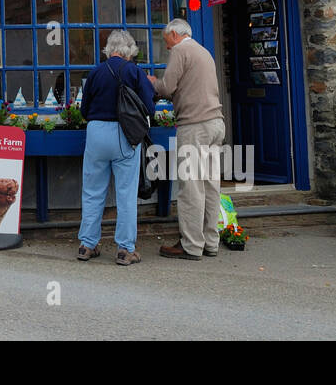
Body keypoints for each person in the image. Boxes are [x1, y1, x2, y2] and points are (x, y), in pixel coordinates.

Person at [147, 18, 225, 260]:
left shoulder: (181, 50)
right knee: (211, 185)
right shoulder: (205, 52)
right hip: (216, 124)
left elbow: (167, 87)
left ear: (174, 34)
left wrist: (153, 83)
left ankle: (191, 245)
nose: (167, 46)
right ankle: (211, 242)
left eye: (166, 40)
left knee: (190, 187)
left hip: (194, 126)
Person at [77, 29, 155, 266]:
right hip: (123, 134)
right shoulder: (133, 71)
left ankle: (87, 245)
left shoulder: (95, 72)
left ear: (109, 50)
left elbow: (83, 110)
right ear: (129, 50)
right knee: (126, 194)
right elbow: (149, 107)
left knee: (92, 192)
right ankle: (124, 249)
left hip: (96, 133)